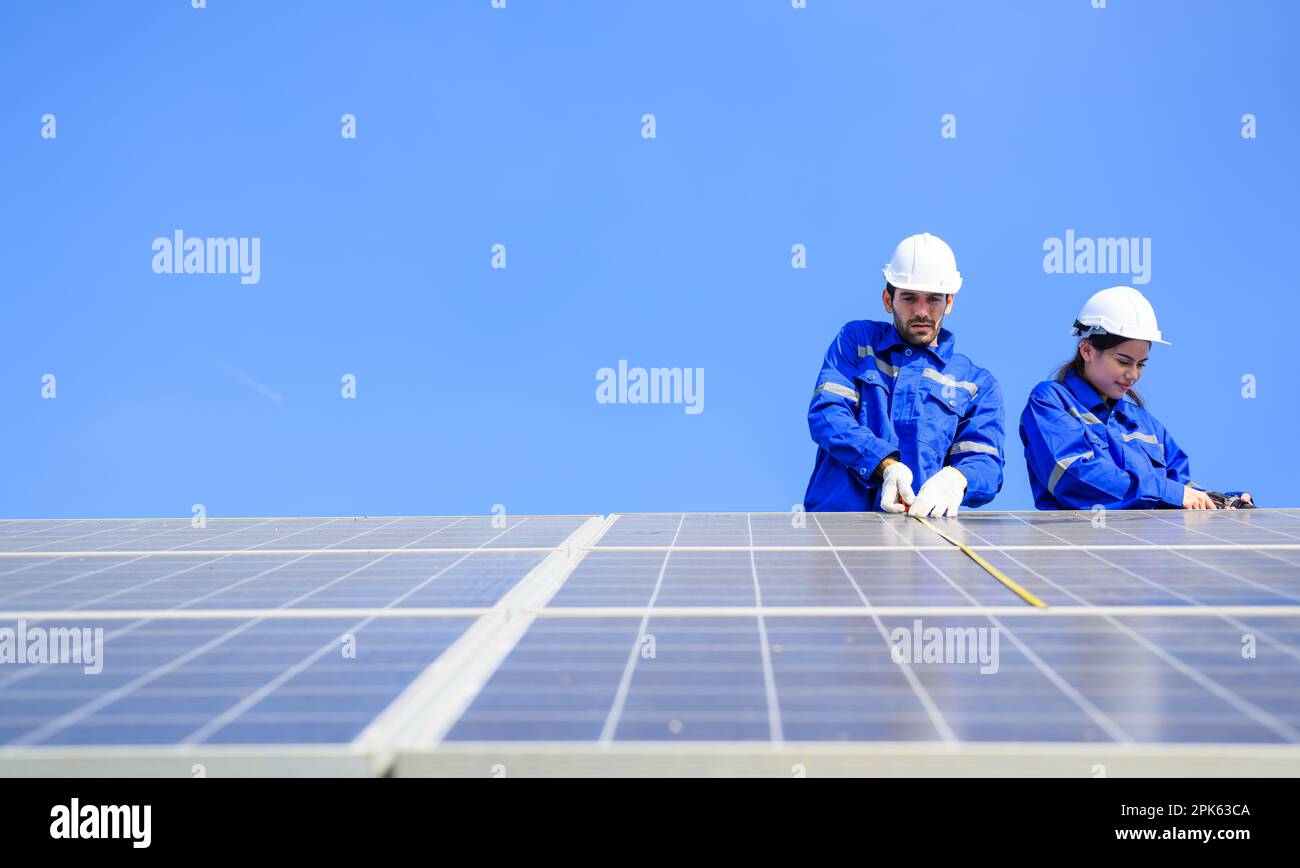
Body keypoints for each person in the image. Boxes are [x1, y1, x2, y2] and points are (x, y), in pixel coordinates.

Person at [803, 233, 1005, 517]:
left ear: (949, 302)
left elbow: (985, 463)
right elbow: (827, 414)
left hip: (922, 540)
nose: (922, 311)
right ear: (888, 300)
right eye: (909, 298)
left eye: (933, 299)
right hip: (839, 526)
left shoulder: (975, 384)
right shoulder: (858, 343)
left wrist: (958, 480)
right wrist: (884, 464)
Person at [1020, 285, 1252, 509]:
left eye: (1141, 364)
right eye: (1123, 361)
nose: (1133, 375)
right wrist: (1168, 492)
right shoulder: (1050, 402)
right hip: (1079, 545)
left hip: (1147, 547)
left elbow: (1181, 487)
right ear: (1087, 350)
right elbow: (1074, 476)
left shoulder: (1143, 422)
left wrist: (1220, 502)